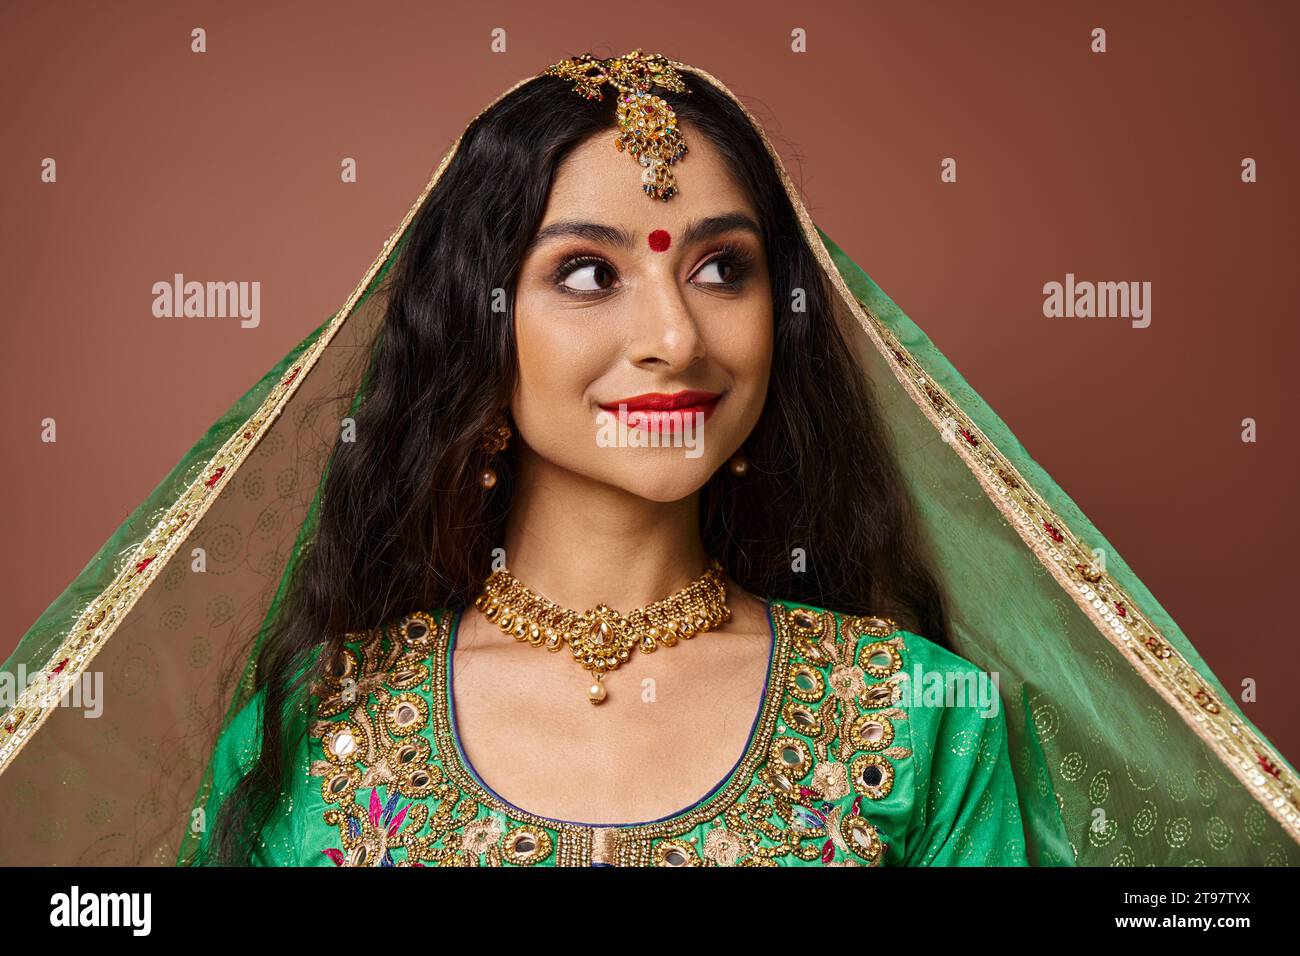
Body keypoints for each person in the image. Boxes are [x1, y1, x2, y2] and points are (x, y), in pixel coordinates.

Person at [0, 50, 1294, 868]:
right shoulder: (320, 728)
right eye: (587, 274)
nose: (673, 335)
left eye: (723, 269)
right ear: (478, 335)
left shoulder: (917, 717)